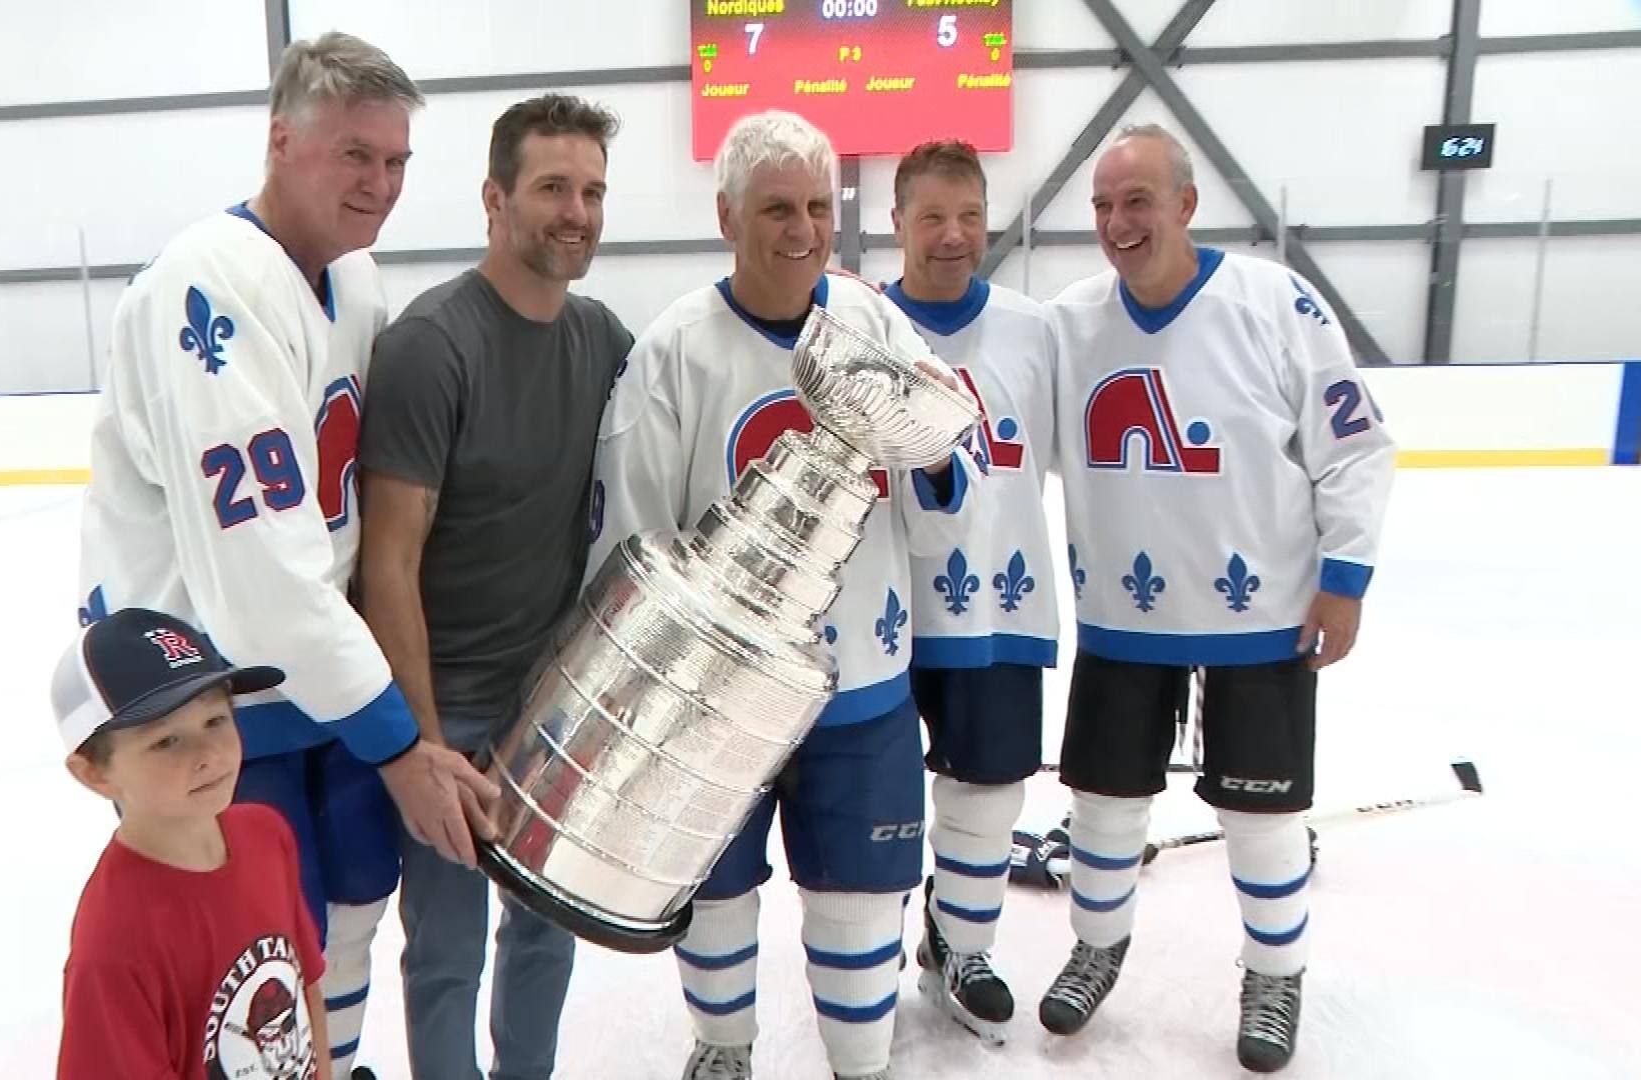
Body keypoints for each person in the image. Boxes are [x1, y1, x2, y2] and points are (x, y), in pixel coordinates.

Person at [74, 32, 498, 1080]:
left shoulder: (352, 283)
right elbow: (259, 575)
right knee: (236, 958)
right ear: (281, 138)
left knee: (342, 909)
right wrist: (401, 744)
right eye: (356, 153)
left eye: (397, 161)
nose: (380, 184)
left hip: (325, 681)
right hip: (207, 700)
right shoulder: (205, 287)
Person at [589, 109, 980, 1080]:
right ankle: (723, 1050)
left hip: (863, 681)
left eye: (816, 205)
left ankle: (861, 1063)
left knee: (857, 892)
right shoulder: (677, 346)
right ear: (727, 214)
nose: (802, 227)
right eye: (776, 207)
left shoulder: (875, 325)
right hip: (715, 701)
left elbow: (948, 499)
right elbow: (632, 529)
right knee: (716, 891)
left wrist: (931, 460)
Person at [1037, 123, 1397, 1073]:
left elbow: (1354, 445)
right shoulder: (1070, 321)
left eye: (1139, 200)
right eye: (1105, 206)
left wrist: (1345, 581)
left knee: (1263, 816)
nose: (1119, 222)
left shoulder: (1276, 301)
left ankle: (1275, 975)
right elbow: (988, 400)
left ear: (1186, 205)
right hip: (1125, 613)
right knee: (1104, 804)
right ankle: (1097, 947)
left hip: (1262, 614)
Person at [355, 93, 633, 1080]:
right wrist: (426, 744)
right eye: (553, 187)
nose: (577, 211)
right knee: (445, 953)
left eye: (593, 191)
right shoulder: (435, 345)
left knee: (548, 934)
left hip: (551, 702)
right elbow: (386, 561)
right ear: (494, 198)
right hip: (447, 696)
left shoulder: (600, 337)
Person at [881, 139, 1060, 1047]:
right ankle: (869, 950)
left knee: (987, 791)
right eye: (931, 217)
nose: (952, 236)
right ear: (897, 222)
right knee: (876, 802)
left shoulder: (1038, 329)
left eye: (970, 217)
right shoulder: (859, 323)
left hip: (1003, 607)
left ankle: (962, 945)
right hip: (881, 612)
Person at [52, 607, 330, 1080]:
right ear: (93, 771)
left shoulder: (266, 834)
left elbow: (305, 988)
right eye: (165, 742)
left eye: (216, 721)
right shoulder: (114, 943)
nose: (208, 756)